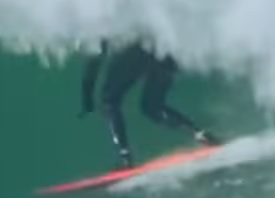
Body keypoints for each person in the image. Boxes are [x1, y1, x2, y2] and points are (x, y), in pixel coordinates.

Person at [78, 39, 220, 168]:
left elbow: (91, 68)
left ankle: (125, 157)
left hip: (136, 53)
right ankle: (202, 135)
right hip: (164, 48)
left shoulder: (92, 32)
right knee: (152, 106)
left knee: (109, 101)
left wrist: (87, 101)